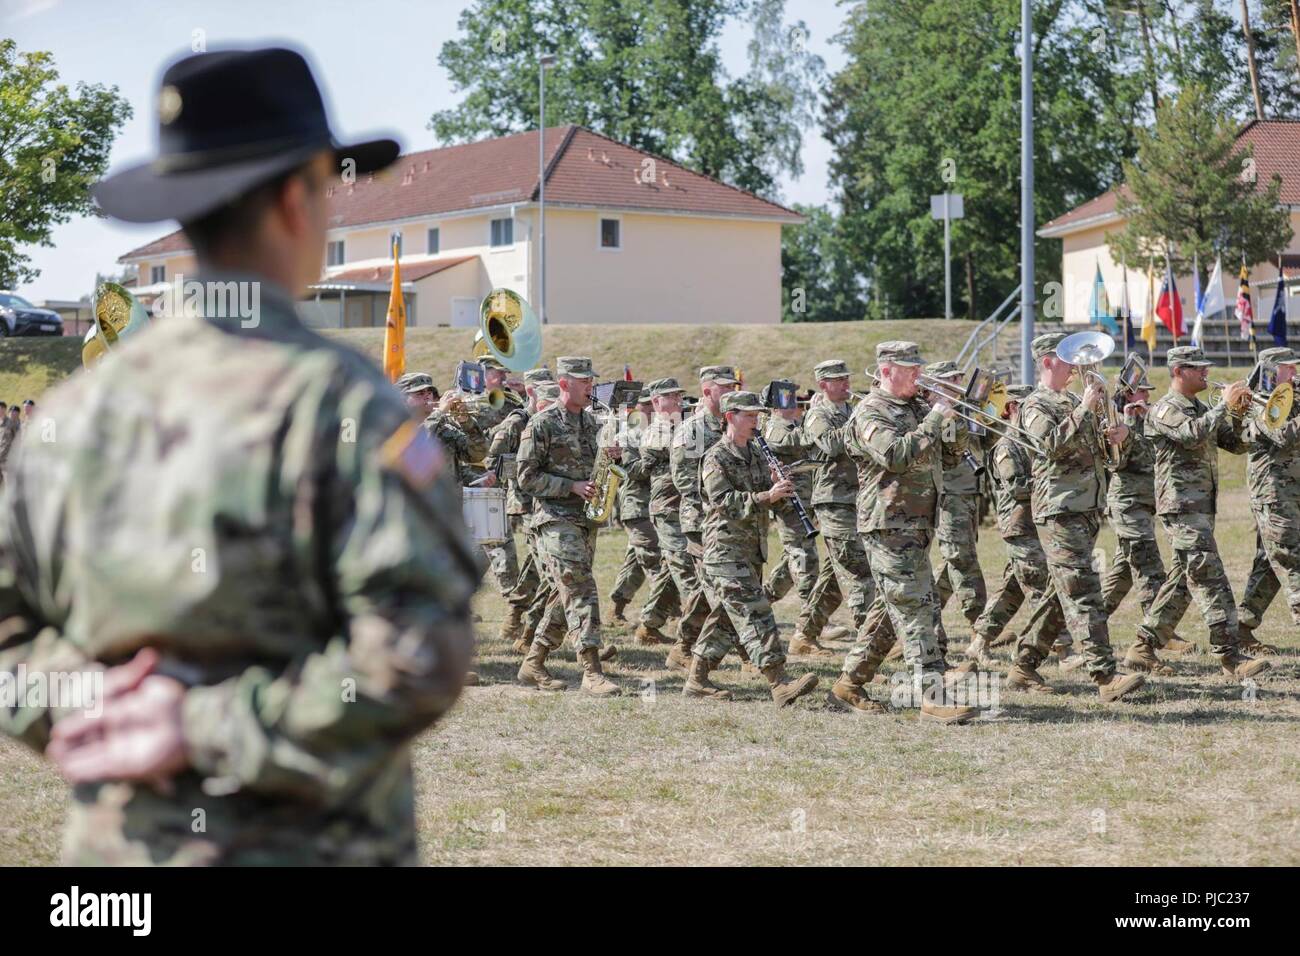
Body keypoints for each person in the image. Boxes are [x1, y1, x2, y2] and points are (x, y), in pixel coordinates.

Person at [0, 46, 481, 865]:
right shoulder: (339, 403)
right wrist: (201, 725)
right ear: (297, 199)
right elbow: (417, 649)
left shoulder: (73, 413)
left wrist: (96, 706)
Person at [827, 341, 977, 725]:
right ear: (886, 370)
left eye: (918, 368)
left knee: (890, 609)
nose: (918, 375)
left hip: (918, 522)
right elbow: (894, 455)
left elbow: (953, 455)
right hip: (888, 524)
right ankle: (932, 697)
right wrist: (934, 418)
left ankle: (849, 683)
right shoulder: (870, 411)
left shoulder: (918, 408)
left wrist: (952, 416)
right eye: (910, 369)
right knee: (916, 609)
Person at [1006, 333, 1144, 701]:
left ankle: (1023, 665)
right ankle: (1105, 676)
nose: (1077, 366)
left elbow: (1103, 452)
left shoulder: (1072, 400)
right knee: (1084, 591)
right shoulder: (1035, 405)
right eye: (1067, 358)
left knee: (1059, 594)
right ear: (1047, 362)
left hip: (1087, 506)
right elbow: (1049, 445)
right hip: (1059, 509)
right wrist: (1084, 408)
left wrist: (1120, 435)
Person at [1126, 347, 1268, 680]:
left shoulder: (1200, 408)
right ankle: (1230, 657)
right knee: (1210, 576)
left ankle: (1143, 647)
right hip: (1180, 508)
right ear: (1178, 371)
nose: (1206, 372)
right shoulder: (1165, 409)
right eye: (1198, 368)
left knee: (1181, 583)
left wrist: (1240, 414)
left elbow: (1237, 444)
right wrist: (1223, 406)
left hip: (1201, 508)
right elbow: (1191, 435)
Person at [684, 390, 821, 706]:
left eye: (757, 415)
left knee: (727, 620)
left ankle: (696, 680)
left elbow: (768, 500)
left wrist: (778, 487)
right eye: (749, 415)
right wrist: (766, 495)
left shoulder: (758, 454)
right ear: (730, 417)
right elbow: (723, 501)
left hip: (750, 549)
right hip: (724, 549)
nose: (755, 420)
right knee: (755, 612)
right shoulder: (716, 457)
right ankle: (779, 682)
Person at [515, 356, 622, 695]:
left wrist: (614, 458)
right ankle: (591, 671)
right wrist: (570, 486)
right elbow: (525, 477)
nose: (591, 387)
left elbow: (597, 469)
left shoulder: (592, 423)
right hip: (554, 519)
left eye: (591, 381)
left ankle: (533, 662)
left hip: (585, 520)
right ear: (564, 384)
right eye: (584, 381)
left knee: (565, 595)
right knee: (582, 590)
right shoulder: (542, 423)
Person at [966, 385, 1072, 669]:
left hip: (1035, 525)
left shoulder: (1031, 442)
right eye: (1026, 407)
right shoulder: (1007, 447)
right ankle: (1064, 650)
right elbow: (1017, 488)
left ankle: (979, 642)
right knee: (1041, 589)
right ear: (1012, 408)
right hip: (1019, 527)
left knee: (1011, 591)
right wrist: (1052, 482)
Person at [1100, 373, 1193, 656]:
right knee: (1150, 569)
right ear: (1128, 394)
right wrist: (1129, 425)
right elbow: (1118, 462)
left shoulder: (1147, 418)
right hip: (1127, 505)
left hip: (1144, 504)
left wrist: (1148, 419)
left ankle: (1084, 626)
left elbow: (1159, 454)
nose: (1148, 396)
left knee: (1122, 575)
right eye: (1142, 391)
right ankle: (1160, 633)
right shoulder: (1114, 421)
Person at [794, 360, 876, 657]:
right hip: (833, 501)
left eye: (846, 378)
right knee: (858, 570)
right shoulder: (818, 414)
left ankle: (804, 634)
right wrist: (861, 420)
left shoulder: (851, 411)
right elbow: (831, 445)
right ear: (823, 385)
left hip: (856, 499)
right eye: (838, 380)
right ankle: (870, 642)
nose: (845, 384)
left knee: (833, 576)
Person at [641, 377, 713, 671]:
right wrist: (700, 421)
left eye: (679, 396)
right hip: (667, 511)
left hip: (686, 509)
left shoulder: (686, 425)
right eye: (671, 397)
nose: (678, 401)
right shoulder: (656, 430)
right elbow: (678, 449)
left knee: (670, 573)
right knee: (688, 575)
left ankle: (649, 623)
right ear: (656, 401)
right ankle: (690, 644)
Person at [1235, 347, 1300, 652]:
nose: (1295, 373)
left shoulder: (1292, 397)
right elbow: (1283, 435)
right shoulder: (1257, 403)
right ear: (1273, 371)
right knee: (1293, 560)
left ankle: (1241, 629)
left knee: (1269, 565)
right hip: (1274, 496)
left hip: (1291, 493)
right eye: (1289, 368)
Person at [486, 367, 553, 652]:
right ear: (532, 391)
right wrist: (522, 470)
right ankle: (528, 630)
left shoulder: (554, 419)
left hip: (550, 500)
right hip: (526, 502)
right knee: (546, 564)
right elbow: (492, 459)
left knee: (540, 564)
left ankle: (516, 614)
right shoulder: (518, 420)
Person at [608, 390, 680, 643]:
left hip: (659, 506)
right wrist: (657, 457)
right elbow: (632, 472)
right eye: (645, 406)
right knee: (655, 561)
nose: (650, 410)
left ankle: (615, 609)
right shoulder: (627, 436)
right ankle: (671, 615)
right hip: (637, 507)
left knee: (636, 562)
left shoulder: (663, 432)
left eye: (652, 405)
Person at [924, 362, 989, 643]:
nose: (959, 382)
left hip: (969, 491)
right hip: (950, 493)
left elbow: (984, 443)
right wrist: (949, 412)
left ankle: (923, 621)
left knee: (956, 559)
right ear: (936, 383)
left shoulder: (963, 409)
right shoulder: (936, 412)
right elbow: (951, 448)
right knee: (963, 559)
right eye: (952, 378)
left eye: (960, 377)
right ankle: (981, 625)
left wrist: (989, 413)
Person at [760, 383, 822, 626]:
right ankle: (810, 620)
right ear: (776, 401)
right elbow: (796, 442)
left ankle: (763, 599)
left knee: (793, 559)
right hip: (789, 504)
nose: (794, 399)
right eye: (787, 395)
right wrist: (816, 417)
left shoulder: (794, 424)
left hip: (805, 500)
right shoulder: (774, 427)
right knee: (805, 558)